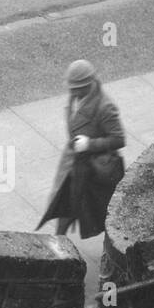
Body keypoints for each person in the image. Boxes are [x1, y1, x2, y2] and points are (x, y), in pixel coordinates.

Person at [36, 59, 125, 239]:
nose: (72, 92)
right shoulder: (76, 96)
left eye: (77, 88)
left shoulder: (105, 107)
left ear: (89, 84)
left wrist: (89, 144)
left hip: (94, 170)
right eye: (72, 88)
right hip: (74, 164)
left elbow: (119, 139)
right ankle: (59, 241)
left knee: (101, 213)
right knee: (65, 203)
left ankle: (114, 247)